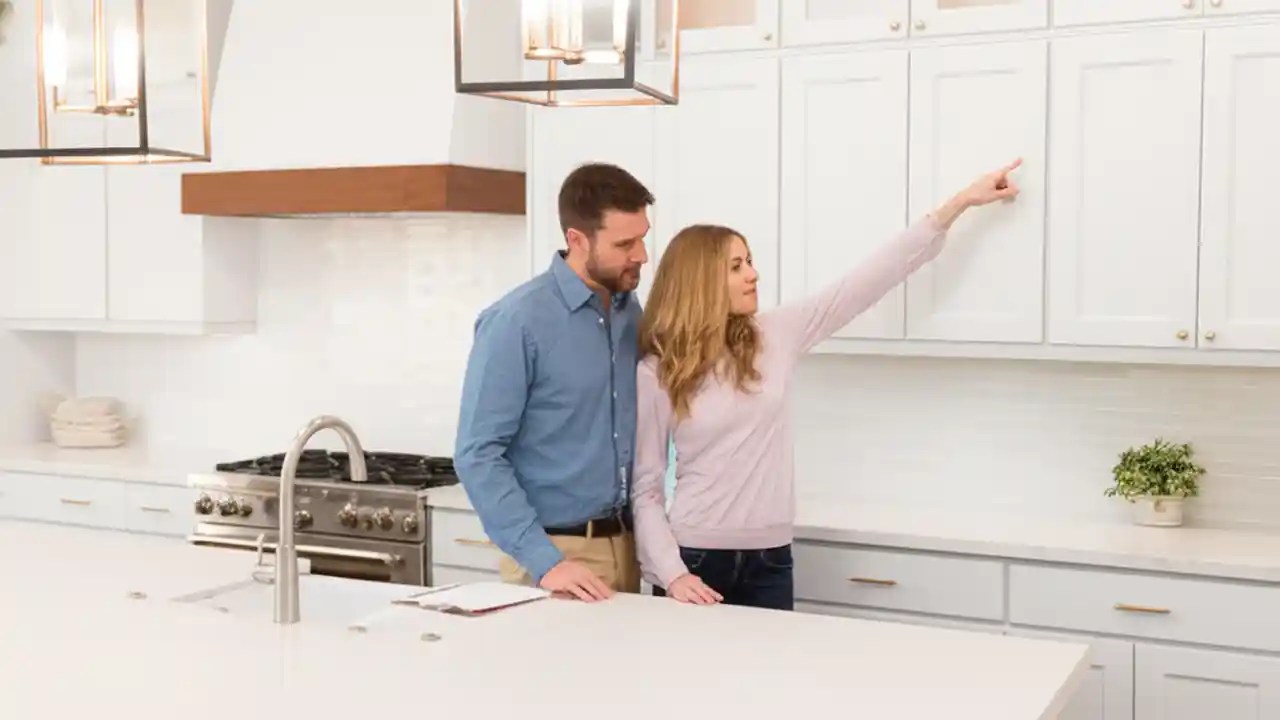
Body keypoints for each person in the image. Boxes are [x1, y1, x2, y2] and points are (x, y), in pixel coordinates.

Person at [631, 159, 1024, 610]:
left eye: (750, 261)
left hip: (771, 560)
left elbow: (866, 281)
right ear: (701, 281)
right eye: (737, 266)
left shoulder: (775, 333)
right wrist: (673, 574)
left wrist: (958, 204)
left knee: (770, 681)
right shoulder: (659, 370)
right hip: (694, 558)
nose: (753, 274)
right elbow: (645, 491)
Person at [454, 162, 654, 602]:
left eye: (643, 237)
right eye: (625, 243)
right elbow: (477, 454)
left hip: (626, 544)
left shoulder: (627, 313)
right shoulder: (516, 322)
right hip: (557, 555)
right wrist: (546, 562)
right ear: (577, 240)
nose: (641, 254)